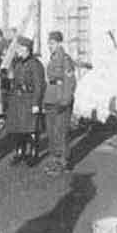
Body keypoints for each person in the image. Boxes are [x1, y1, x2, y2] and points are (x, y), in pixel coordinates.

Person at [4, 37, 46, 165]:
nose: (18, 51)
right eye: (18, 49)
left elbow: (39, 86)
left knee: (32, 129)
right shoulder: (18, 63)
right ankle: (20, 152)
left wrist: (36, 104)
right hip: (18, 100)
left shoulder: (36, 64)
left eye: (21, 49)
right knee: (18, 128)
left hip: (29, 99)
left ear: (27, 50)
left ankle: (33, 154)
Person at [42, 31, 77, 175]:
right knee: (51, 131)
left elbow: (70, 82)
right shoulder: (53, 58)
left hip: (60, 100)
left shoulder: (65, 59)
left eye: (52, 43)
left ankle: (63, 161)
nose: (49, 46)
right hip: (50, 98)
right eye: (49, 43)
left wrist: (65, 101)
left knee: (61, 131)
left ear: (59, 43)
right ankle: (54, 159)